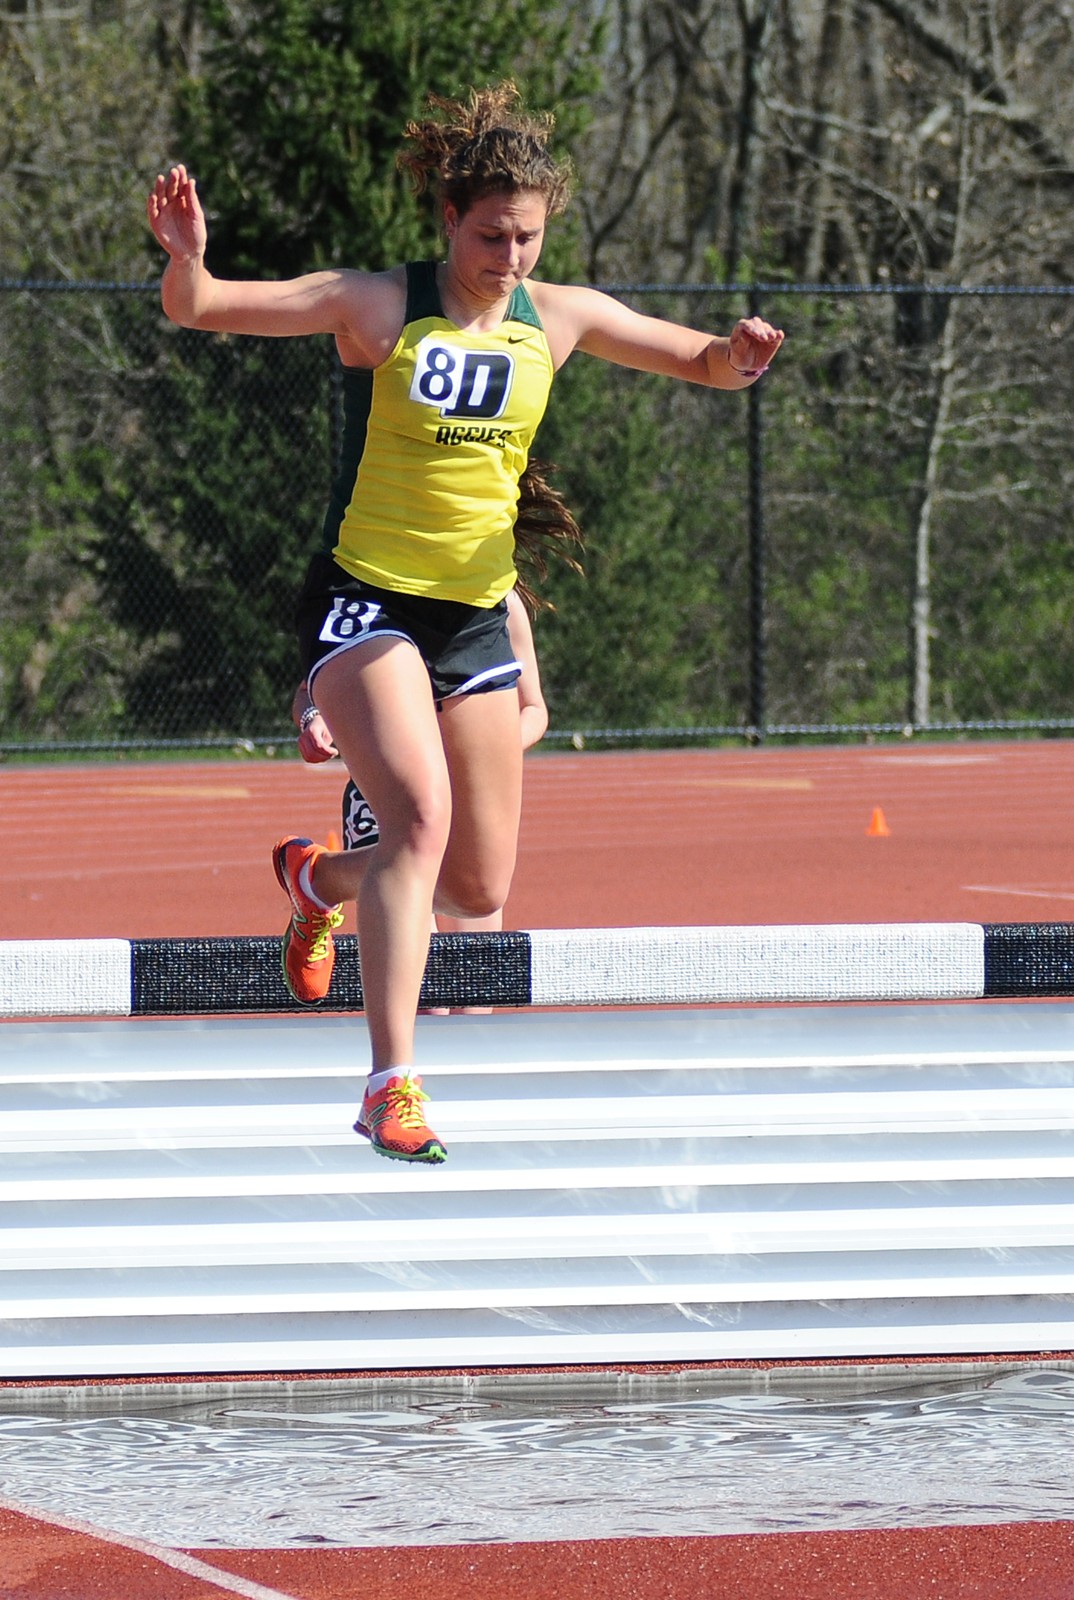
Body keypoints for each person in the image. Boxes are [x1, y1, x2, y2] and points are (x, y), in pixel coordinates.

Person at [146, 81, 784, 1167]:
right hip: (368, 602)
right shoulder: (379, 304)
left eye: (528, 236)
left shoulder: (560, 317)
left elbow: (701, 364)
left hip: (477, 616)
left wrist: (742, 353)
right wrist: (187, 259)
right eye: (490, 235)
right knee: (418, 824)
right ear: (447, 218)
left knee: (475, 885)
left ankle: (315, 885)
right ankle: (389, 1084)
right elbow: (203, 310)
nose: (510, 258)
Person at [292, 583, 549, 1014]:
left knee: (476, 988)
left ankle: (316, 877)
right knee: (422, 987)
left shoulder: (501, 600)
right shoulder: (379, 584)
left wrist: (482, 755)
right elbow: (309, 688)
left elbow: (534, 709)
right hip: (386, 798)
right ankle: (402, 1070)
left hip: (470, 793)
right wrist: (313, 717)